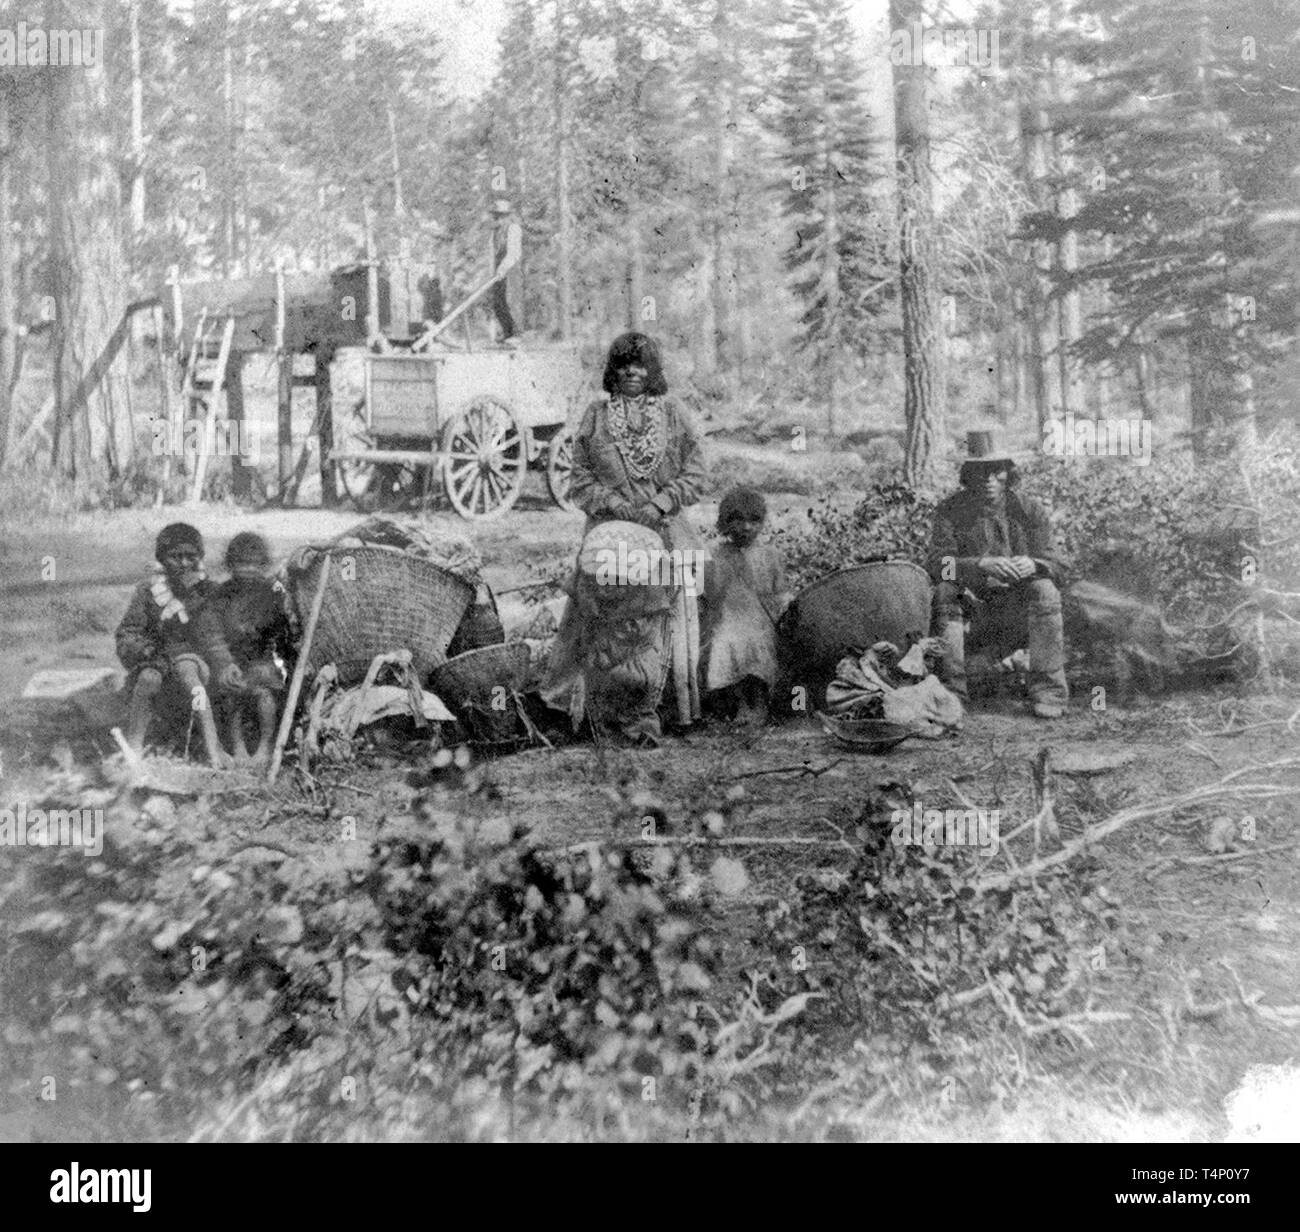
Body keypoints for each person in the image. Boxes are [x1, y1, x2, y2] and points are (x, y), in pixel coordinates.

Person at [540, 332, 707, 744]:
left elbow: (697, 471)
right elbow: (578, 479)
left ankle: (663, 706)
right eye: (623, 365)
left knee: (662, 611)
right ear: (612, 372)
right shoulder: (596, 416)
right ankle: (588, 709)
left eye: (641, 365)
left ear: (653, 372)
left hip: (664, 527)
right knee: (597, 608)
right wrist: (614, 504)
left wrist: (661, 503)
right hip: (608, 530)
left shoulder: (673, 414)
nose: (632, 372)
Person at [926, 429, 1068, 718]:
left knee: (1046, 589)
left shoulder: (1029, 510)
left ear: (1008, 473)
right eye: (980, 472)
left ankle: (1049, 691)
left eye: (996, 471)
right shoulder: (950, 511)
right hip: (972, 611)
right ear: (968, 475)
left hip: (1019, 611)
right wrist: (978, 565)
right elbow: (937, 564)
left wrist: (1035, 564)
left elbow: (1060, 563)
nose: (989, 480)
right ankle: (952, 694)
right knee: (943, 591)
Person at [115, 523, 243, 763]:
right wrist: (146, 650)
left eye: (191, 557)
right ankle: (133, 747)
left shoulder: (210, 592)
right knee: (148, 678)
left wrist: (225, 664)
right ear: (162, 560)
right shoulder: (148, 592)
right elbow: (128, 634)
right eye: (176, 557)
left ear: (200, 558)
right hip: (160, 665)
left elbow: (220, 638)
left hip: (199, 668)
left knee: (195, 675)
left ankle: (215, 746)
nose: (184, 563)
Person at [701, 486, 791, 724]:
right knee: (726, 642)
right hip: (727, 618)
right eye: (738, 521)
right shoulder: (714, 555)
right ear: (725, 523)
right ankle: (739, 704)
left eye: (754, 521)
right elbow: (709, 596)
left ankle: (759, 704)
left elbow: (780, 593)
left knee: (759, 643)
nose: (746, 527)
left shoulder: (770, 555)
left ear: (762, 523)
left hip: (760, 619)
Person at [212, 532, 296, 766]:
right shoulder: (222, 595)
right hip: (233, 660)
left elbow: (282, 632)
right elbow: (214, 632)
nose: (248, 570)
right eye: (242, 564)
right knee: (232, 691)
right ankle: (238, 747)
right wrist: (226, 662)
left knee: (264, 689)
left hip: (263, 659)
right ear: (230, 565)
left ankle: (264, 746)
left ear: (263, 565)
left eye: (255, 564)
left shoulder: (271, 593)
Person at [489, 198, 523, 341]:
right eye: (497, 216)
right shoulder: (495, 232)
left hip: (511, 268)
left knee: (510, 301)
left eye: (502, 216)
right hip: (499, 270)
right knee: (498, 302)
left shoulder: (514, 229)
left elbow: (513, 253)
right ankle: (507, 333)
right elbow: (492, 253)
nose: (500, 220)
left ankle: (515, 334)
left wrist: (503, 268)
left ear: (508, 216)